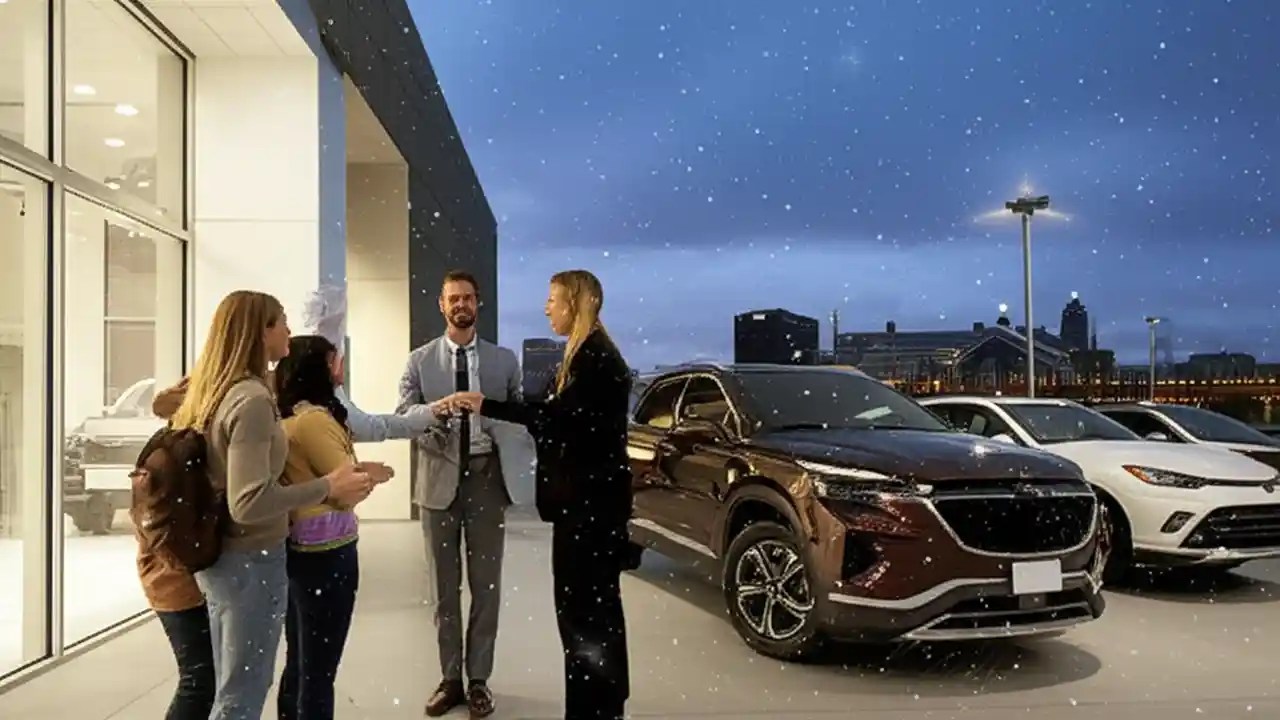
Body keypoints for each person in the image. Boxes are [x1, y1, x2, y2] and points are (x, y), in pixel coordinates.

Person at [168, 290, 375, 720]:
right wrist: (325, 485)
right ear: (260, 332)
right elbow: (250, 501)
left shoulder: (218, 391)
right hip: (250, 559)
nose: (288, 330)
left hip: (224, 560)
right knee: (243, 693)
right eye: (280, 321)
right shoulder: (253, 400)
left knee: (234, 685)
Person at [442, 269, 633, 720]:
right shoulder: (589, 355)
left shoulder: (593, 359)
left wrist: (486, 405)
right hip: (590, 511)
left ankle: (593, 710)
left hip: (588, 513)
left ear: (575, 302)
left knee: (584, 618)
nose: (547, 308)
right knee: (594, 615)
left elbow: (554, 419)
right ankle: (601, 706)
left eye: (553, 299)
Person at [396, 270, 527, 718]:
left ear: (478, 304)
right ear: (441, 304)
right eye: (453, 298)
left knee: (486, 587)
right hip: (437, 479)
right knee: (443, 589)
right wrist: (436, 412)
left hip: (487, 479)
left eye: (468, 298)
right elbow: (403, 415)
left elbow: (519, 416)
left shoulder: (504, 361)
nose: (461, 305)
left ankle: (479, 681)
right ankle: (449, 678)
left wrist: (490, 417)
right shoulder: (419, 361)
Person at [273, 335, 393, 720]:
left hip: (302, 551)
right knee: (319, 669)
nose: (340, 369)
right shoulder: (315, 423)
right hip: (327, 554)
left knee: (301, 660)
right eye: (334, 361)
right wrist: (368, 477)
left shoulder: (290, 418)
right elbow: (345, 490)